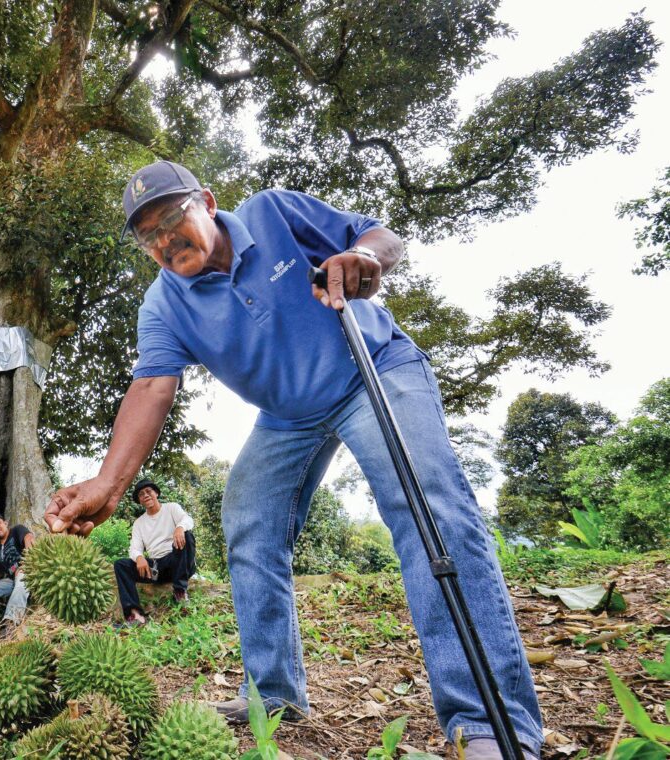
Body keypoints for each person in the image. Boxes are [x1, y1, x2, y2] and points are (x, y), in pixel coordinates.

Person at [43, 161, 543, 760]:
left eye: (172, 218)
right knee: (248, 521)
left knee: (425, 501)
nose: (164, 240)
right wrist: (108, 483)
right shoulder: (163, 306)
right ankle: (274, 693)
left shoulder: (273, 213)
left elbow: (381, 234)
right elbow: (152, 387)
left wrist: (365, 259)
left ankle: (488, 723)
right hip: (287, 416)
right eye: (148, 235)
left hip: (372, 370)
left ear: (206, 200)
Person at [114, 479, 196, 626]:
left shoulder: (171, 508)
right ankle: (135, 615)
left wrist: (180, 527)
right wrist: (139, 557)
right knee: (121, 565)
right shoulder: (139, 523)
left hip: (178, 561)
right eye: (141, 494)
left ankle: (180, 592)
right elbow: (135, 548)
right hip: (157, 568)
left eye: (148, 491)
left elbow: (187, 519)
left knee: (187, 535)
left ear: (156, 493)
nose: (145, 495)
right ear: (139, 501)